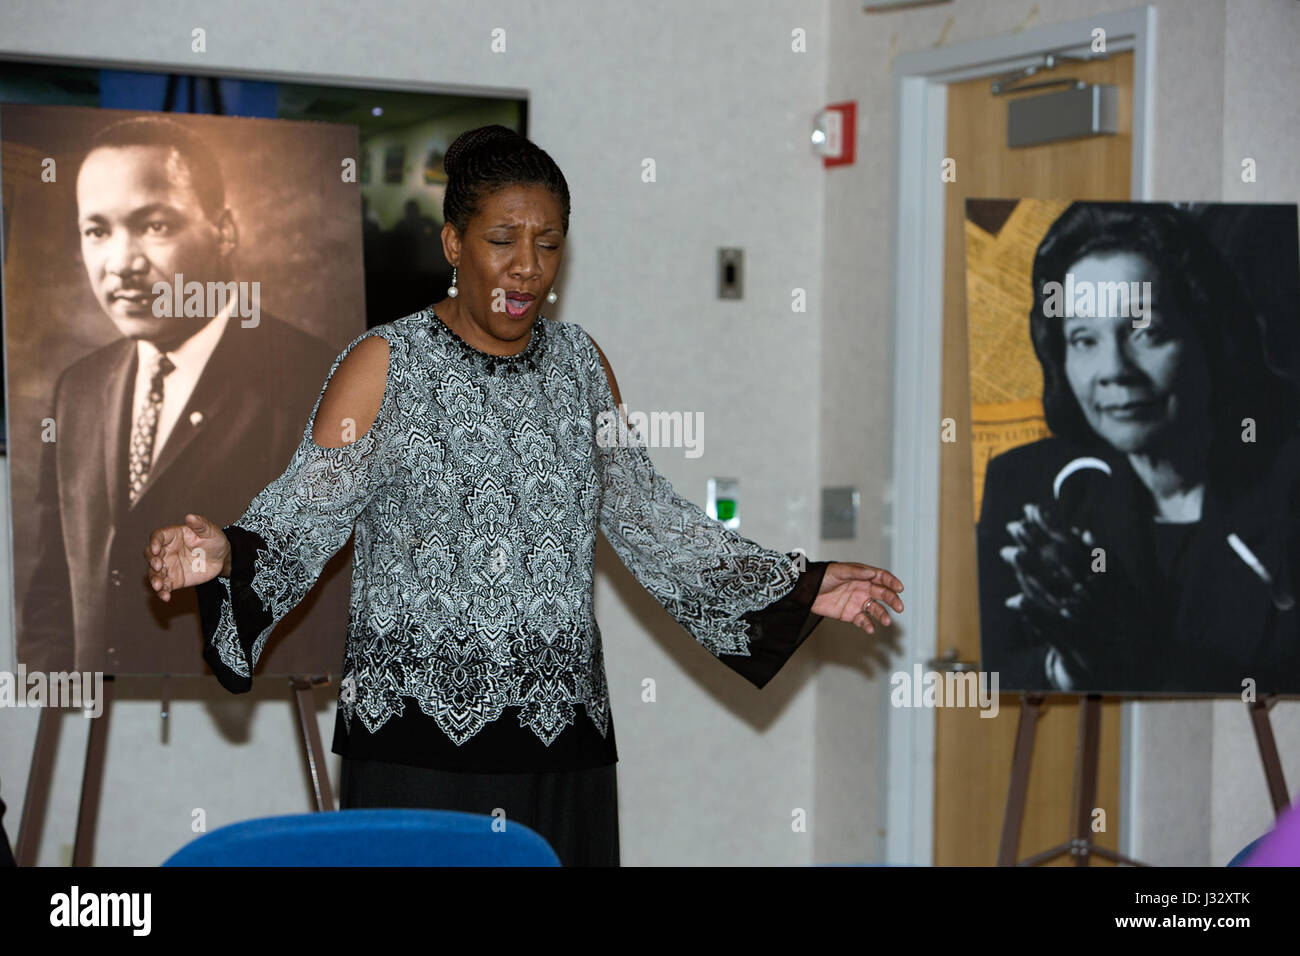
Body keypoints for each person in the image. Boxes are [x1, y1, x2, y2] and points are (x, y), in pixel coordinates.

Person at [144, 124, 904, 866]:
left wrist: (799, 584)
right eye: (502, 240)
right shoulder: (384, 364)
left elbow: (650, 522)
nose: (527, 267)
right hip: (418, 752)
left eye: (548, 244)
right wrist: (222, 552)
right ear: (453, 244)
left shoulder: (580, 365)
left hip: (560, 742)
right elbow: (304, 514)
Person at [21, 114, 339, 675]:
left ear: (224, 231)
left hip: (241, 728)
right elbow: (53, 590)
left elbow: (330, 594)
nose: (121, 263)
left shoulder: (316, 378)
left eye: (155, 225)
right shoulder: (79, 388)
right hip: (96, 727)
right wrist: (51, 703)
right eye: (97, 230)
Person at [977, 201, 1300, 695]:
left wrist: (1131, 653)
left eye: (1146, 333)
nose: (1114, 369)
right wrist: (1071, 668)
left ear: (1206, 337)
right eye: (1084, 339)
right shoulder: (1025, 486)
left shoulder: (1286, 482)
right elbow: (992, 671)